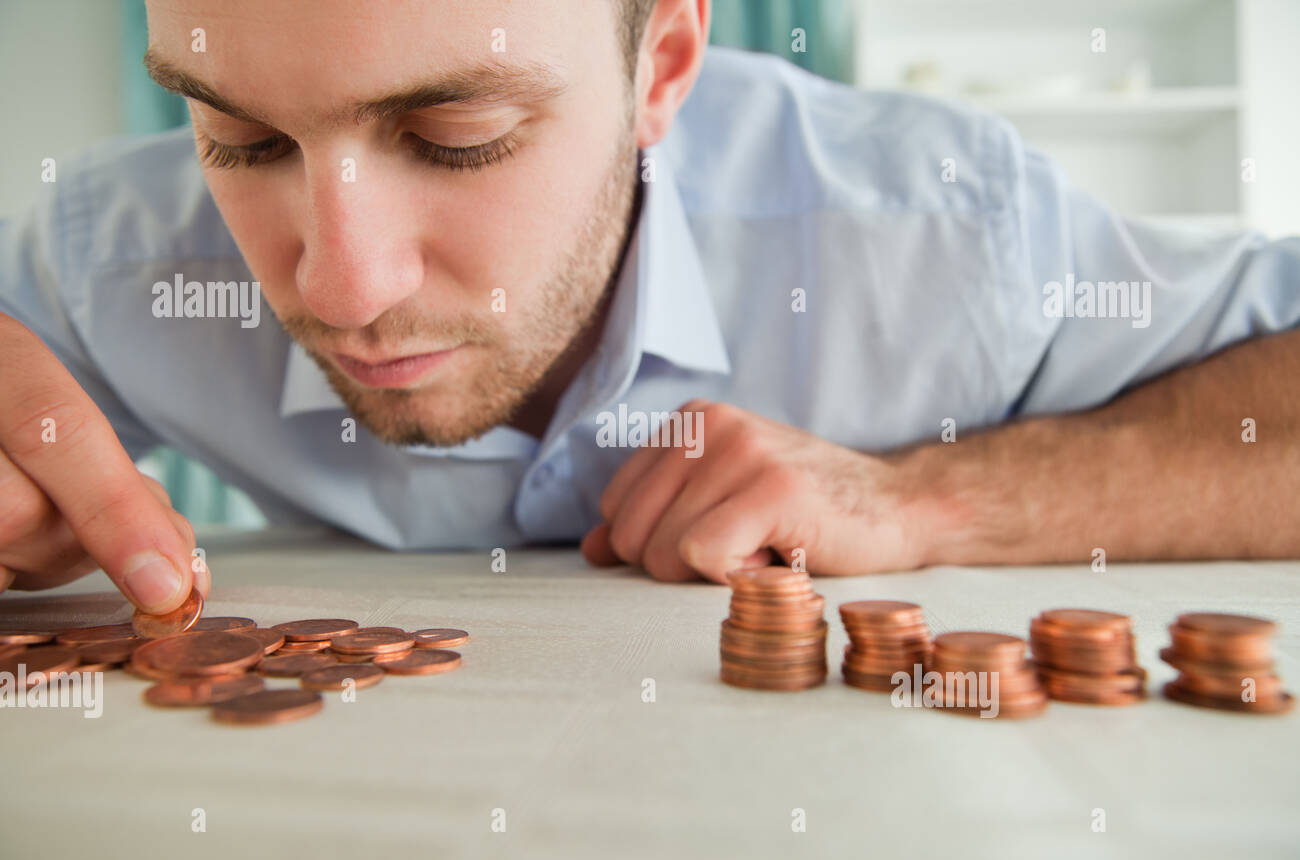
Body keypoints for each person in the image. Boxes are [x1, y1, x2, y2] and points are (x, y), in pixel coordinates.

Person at [1, 0, 1297, 618]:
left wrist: (930, 498)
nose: (342, 289)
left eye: (457, 137)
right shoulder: (102, 256)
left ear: (660, 70)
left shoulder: (950, 231)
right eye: (239, 140)